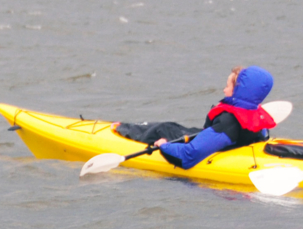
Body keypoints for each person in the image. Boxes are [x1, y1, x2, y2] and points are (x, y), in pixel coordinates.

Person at [116, 65, 277, 170]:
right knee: (176, 128)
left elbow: (188, 157)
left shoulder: (228, 123)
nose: (224, 90)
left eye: (227, 86)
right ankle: (127, 127)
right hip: (224, 142)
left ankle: (120, 130)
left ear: (238, 91)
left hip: (215, 144)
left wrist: (164, 146)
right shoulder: (257, 115)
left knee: (164, 129)